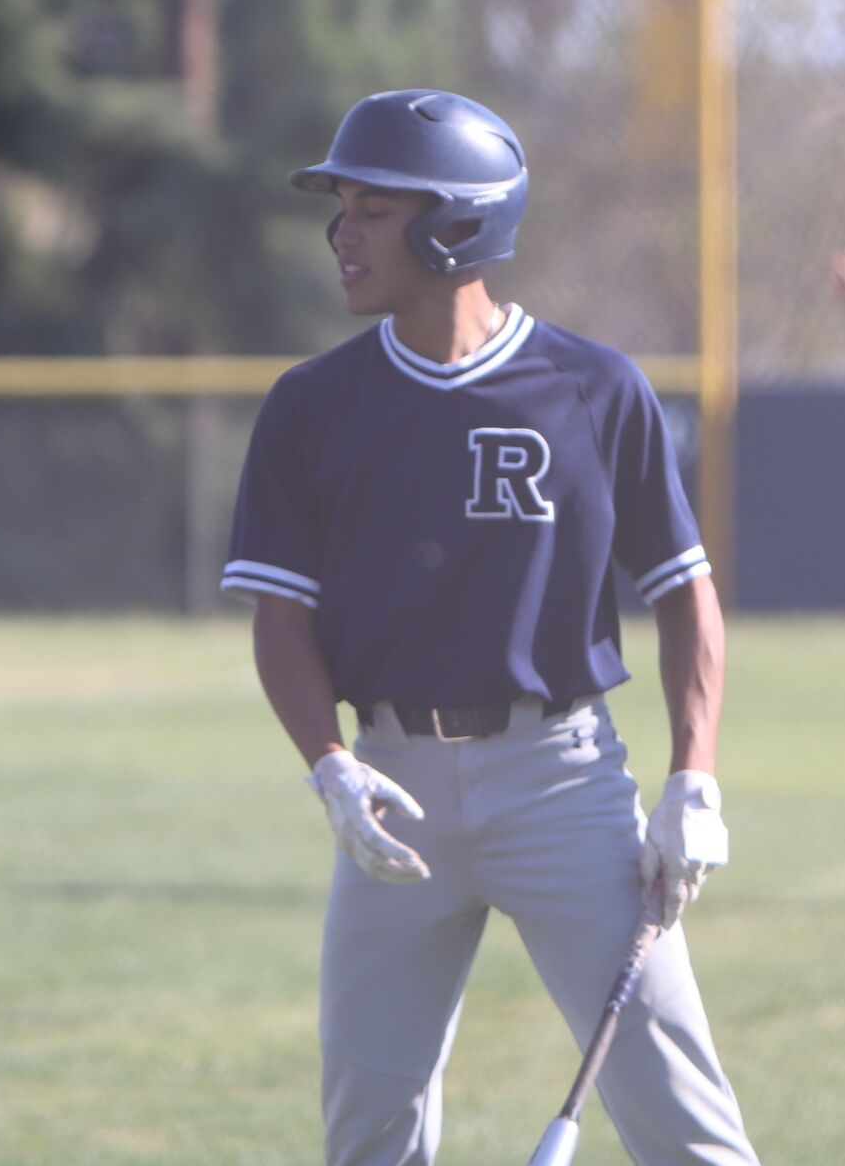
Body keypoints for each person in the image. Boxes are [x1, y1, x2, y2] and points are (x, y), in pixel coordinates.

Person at [222, 90, 758, 1165]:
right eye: (341, 209)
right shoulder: (309, 403)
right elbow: (281, 618)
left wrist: (692, 779)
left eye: (372, 211)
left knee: (683, 1121)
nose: (341, 235)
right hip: (391, 786)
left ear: (456, 226)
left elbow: (683, 589)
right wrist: (328, 764)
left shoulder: (595, 387)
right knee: (367, 1129)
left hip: (563, 782)